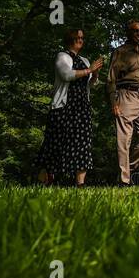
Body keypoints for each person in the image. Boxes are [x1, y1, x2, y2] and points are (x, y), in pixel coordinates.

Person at [38, 30, 104, 186]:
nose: (80, 40)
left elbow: (91, 84)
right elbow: (66, 75)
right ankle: (45, 179)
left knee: (83, 143)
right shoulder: (63, 56)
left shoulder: (85, 60)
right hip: (64, 107)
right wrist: (89, 70)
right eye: (77, 38)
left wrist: (94, 74)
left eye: (82, 38)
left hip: (82, 107)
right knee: (55, 142)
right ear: (70, 39)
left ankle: (80, 183)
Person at [108, 19, 139, 186]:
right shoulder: (120, 51)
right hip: (126, 94)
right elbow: (111, 80)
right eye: (135, 31)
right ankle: (124, 180)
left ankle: (128, 168)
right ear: (128, 32)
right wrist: (114, 102)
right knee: (124, 138)